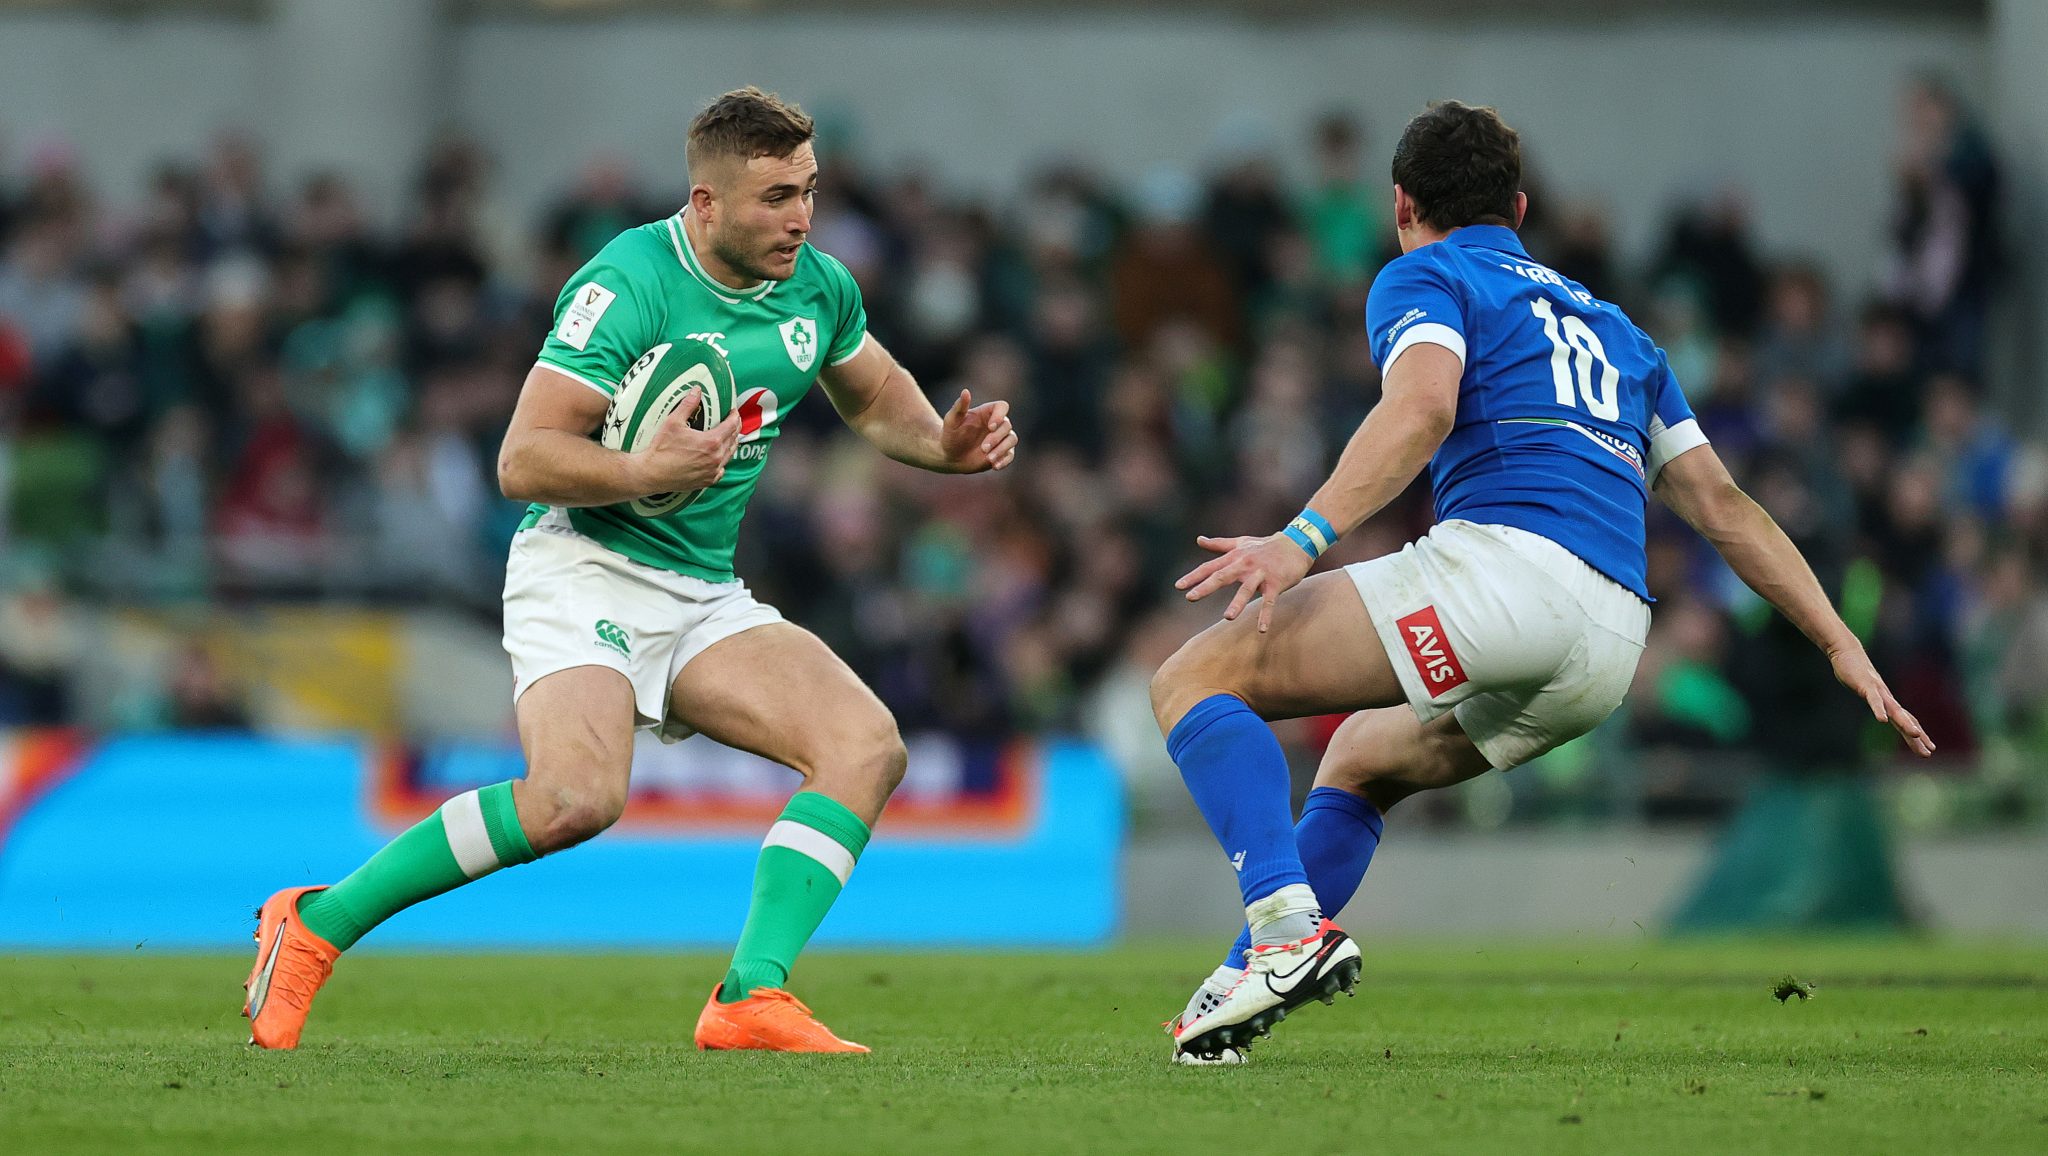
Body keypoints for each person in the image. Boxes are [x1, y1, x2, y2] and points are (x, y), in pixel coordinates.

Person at [1149, 101, 1932, 1064]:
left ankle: (1282, 933)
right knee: (1360, 757)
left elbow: (1422, 409)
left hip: (1507, 578)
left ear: (1401, 204)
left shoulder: (1428, 273)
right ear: (1518, 208)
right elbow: (1724, 506)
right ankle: (1249, 981)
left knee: (1192, 678)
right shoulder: (1622, 332)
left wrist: (1298, 539)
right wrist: (1841, 640)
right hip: (1609, 642)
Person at [241, 88, 1017, 1053]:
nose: (802, 219)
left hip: (701, 590)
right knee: (575, 800)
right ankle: (316, 925)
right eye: (777, 197)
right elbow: (523, 459)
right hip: (585, 566)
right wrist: (647, 471)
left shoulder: (819, 286)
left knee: (865, 745)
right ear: (706, 203)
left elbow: (872, 394)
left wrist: (941, 443)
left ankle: (751, 995)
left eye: (810, 191)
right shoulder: (627, 282)